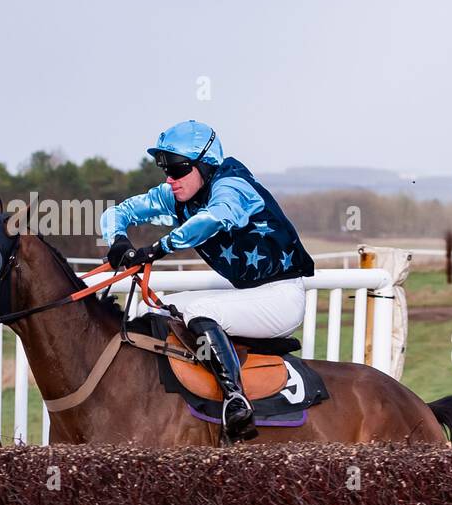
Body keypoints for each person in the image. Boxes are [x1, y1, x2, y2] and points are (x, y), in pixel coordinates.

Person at [100, 120, 314, 441]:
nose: (170, 179)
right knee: (154, 310)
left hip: (281, 298)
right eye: (165, 170)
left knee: (200, 311)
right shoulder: (181, 191)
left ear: (205, 164)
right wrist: (117, 240)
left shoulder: (232, 187)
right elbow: (119, 212)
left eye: (178, 169)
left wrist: (158, 248)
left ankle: (235, 401)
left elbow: (210, 221)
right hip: (247, 293)